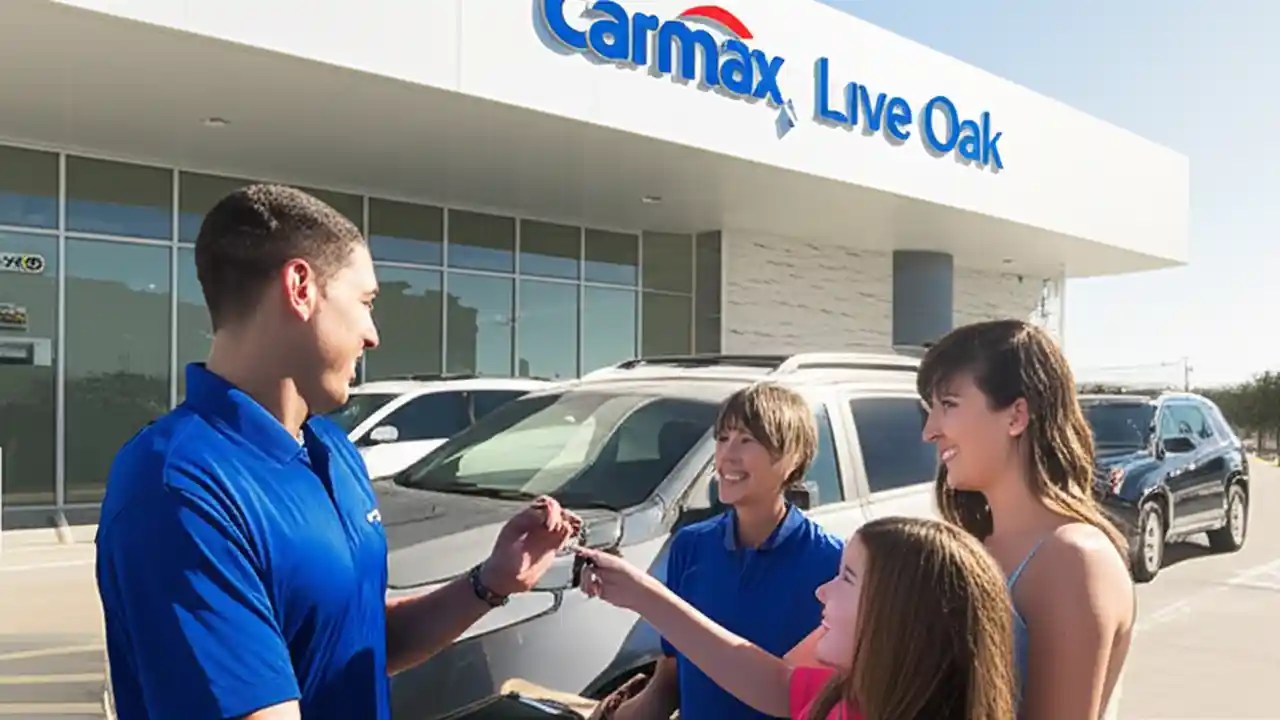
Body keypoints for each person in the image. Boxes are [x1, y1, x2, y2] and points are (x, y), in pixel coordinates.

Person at [94, 185, 581, 720]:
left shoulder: (331, 447)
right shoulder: (178, 488)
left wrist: (489, 583)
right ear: (301, 287)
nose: (372, 335)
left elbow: (357, 641)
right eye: (366, 302)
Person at [577, 516, 1017, 720]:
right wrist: (643, 595)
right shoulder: (848, 697)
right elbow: (770, 679)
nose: (822, 591)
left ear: (898, 619)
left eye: (846, 578)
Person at [917, 319, 1135, 719]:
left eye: (948, 405)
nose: (930, 431)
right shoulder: (974, 544)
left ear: (1016, 415)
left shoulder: (1073, 559)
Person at [607, 382, 844, 720]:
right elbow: (669, 680)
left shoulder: (832, 564)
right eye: (722, 438)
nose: (727, 455)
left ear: (792, 458)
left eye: (747, 440)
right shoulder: (690, 546)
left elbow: (827, 697)